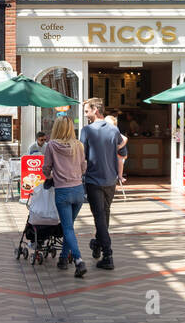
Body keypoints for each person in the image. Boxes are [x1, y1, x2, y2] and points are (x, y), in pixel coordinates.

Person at [80, 97, 128, 271]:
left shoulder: (86, 131)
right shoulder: (114, 130)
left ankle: (107, 254)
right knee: (104, 214)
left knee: (99, 215)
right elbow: (122, 151)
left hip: (93, 179)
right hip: (110, 180)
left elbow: (82, 157)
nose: (85, 114)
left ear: (96, 110)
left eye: (87, 111)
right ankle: (98, 244)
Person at [43, 117, 89, 278]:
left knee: (68, 228)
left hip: (62, 191)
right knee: (68, 227)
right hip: (78, 190)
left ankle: (78, 260)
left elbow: (46, 168)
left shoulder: (51, 146)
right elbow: (84, 167)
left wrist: (49, 176)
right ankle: (63, 258)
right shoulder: (79, 145)